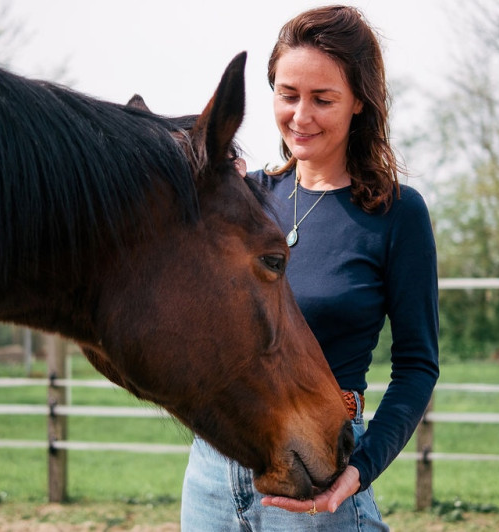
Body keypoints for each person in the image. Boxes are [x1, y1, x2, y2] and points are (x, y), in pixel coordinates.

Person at [181, 5, 439, 530]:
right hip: (212, 472)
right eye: (288, 94)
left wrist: (360, 469)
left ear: (359, 101)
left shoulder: (397, 214)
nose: (301, 116)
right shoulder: (244, 197)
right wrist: (203, 192)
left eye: (323, 99)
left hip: (316, 465)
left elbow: (417, 366)